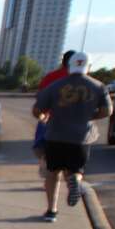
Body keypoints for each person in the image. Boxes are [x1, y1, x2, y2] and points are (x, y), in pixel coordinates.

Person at [32, 51, 112, 222]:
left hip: (55, 135)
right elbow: (107, 111)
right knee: (75, 169)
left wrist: (43, 119)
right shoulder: (98, 86)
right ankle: (75, 180)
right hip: (81, 137)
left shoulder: (55, 85)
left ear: (69, 66)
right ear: (88, 66)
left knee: (53, 173)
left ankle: (51, 211)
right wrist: (90, 116)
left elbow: (37, 110)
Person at [33, 50, 75, 179]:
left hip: (49, 119)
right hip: (73, 122)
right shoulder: (81, 80)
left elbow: (40, 98)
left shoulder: (51, 77)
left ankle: (48, 170)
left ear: (62, 61)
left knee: (42, 148)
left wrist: (41, 115)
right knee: (69, 151)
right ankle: (70, 175)